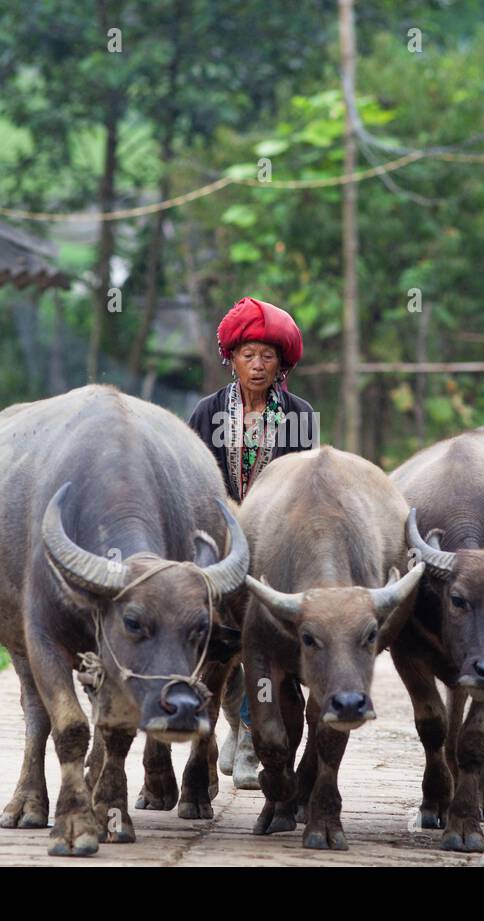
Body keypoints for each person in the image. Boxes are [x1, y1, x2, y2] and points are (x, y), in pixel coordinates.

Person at [187, 297, 317, 789]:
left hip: (276, 545)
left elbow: (309, 486)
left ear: (282, 362)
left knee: (262, 642)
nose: (258, 365)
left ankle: (248, 734)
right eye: (248, 355)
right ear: (232, 359)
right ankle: (232, 719)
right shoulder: (208, 412)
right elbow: (198, 481)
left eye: (268, 356)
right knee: (218, 645)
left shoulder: (300, 415)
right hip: (220, 544)